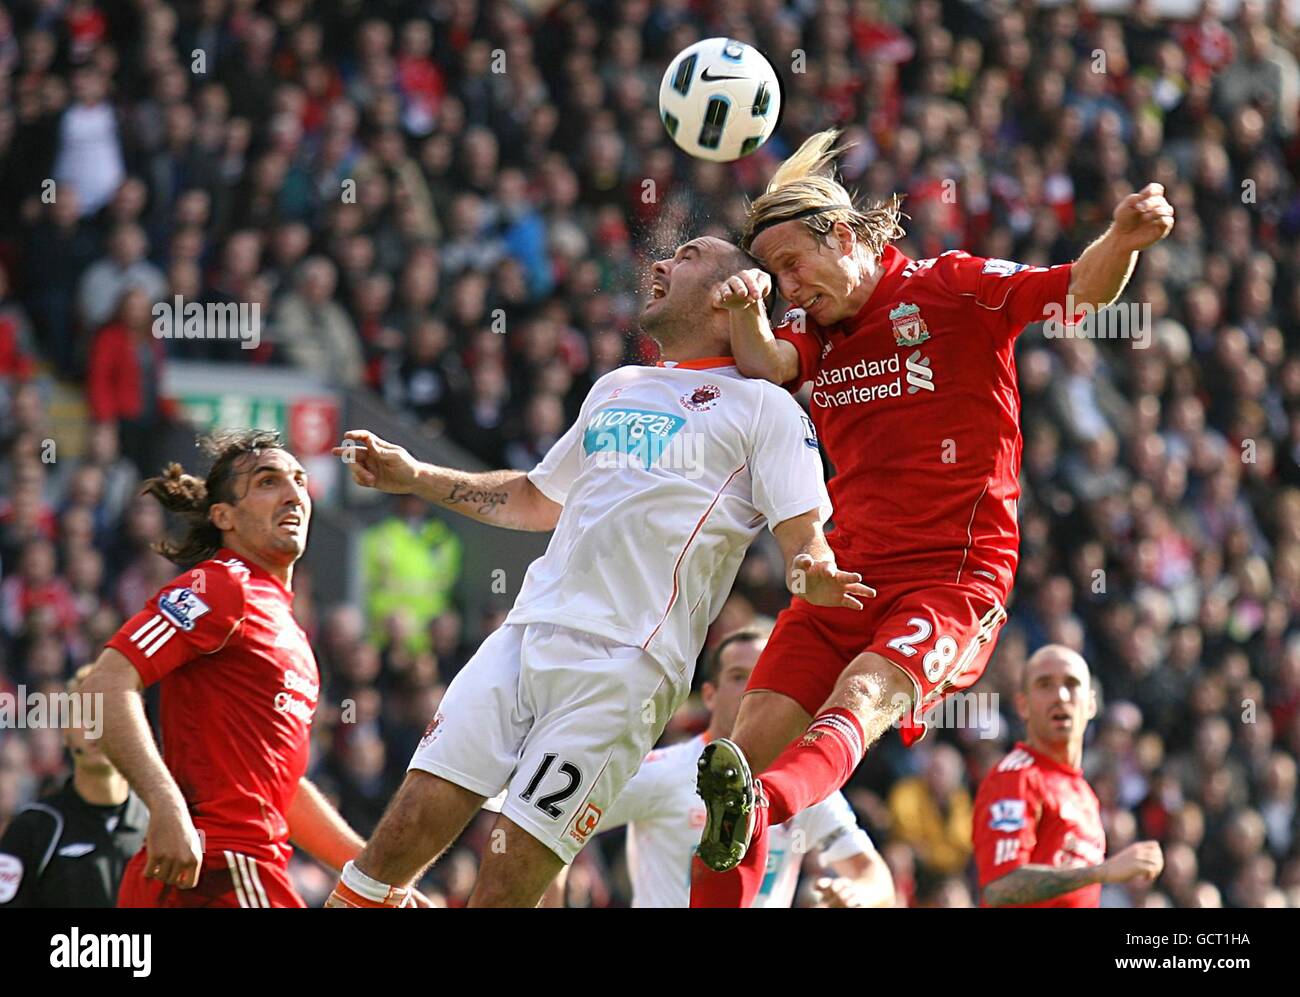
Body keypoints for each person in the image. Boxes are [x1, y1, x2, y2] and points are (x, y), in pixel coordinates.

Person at [691, 130, 1176, 906]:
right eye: (774, 276)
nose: (789, 287)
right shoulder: (809, 331)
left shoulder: (953, 288)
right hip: (846, 575)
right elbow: (767, 363)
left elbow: (1081, 291)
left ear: (844, 236)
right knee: (730, 769)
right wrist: (749, 310)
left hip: (952, 581)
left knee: (862, 695)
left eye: (792, 266)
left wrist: (1121, 238)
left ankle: (770, 801)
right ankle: (750, 807)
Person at [325, 235, 871, 908]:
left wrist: (812, 569)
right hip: (524, 635)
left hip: (624, 668)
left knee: (504, 881)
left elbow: (802, 531)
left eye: (690, 255)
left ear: (735, 291)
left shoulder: (765, 408)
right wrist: (417, 477)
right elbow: (534, 497)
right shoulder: (618, 385)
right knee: (397, 838)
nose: (662, 264)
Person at [80, 430, 395, 908]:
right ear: (223, 516)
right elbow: (105, 683)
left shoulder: (287, 626)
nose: (293, 493)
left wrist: (377, 877)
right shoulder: (221, 586)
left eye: (298, 480)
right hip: (220, 866)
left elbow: (280, 789)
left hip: (213, 872)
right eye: (268, 482)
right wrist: (164, 805)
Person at [549, 624, 894, 908]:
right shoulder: (664, 773)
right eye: (738, 676)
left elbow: (875, 877)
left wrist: (857, 894)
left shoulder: (801, 783)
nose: (753, 688)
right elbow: (553, 826)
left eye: (765, 674)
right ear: (710, 695)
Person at [973, 645, 1164, 907]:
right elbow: (1001, 885)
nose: (1060, 696)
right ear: (1023, 705)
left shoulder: (1083, 792)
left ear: (1091, 704)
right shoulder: (1015, 777)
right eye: (1044, 685)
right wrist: (1101, 872)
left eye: (1072, 684)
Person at [0, 665, 147, 907]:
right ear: (64, 733)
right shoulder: (33, 829)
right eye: (85, 714)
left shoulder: (160, 826)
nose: (97, 727)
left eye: (111, 712)